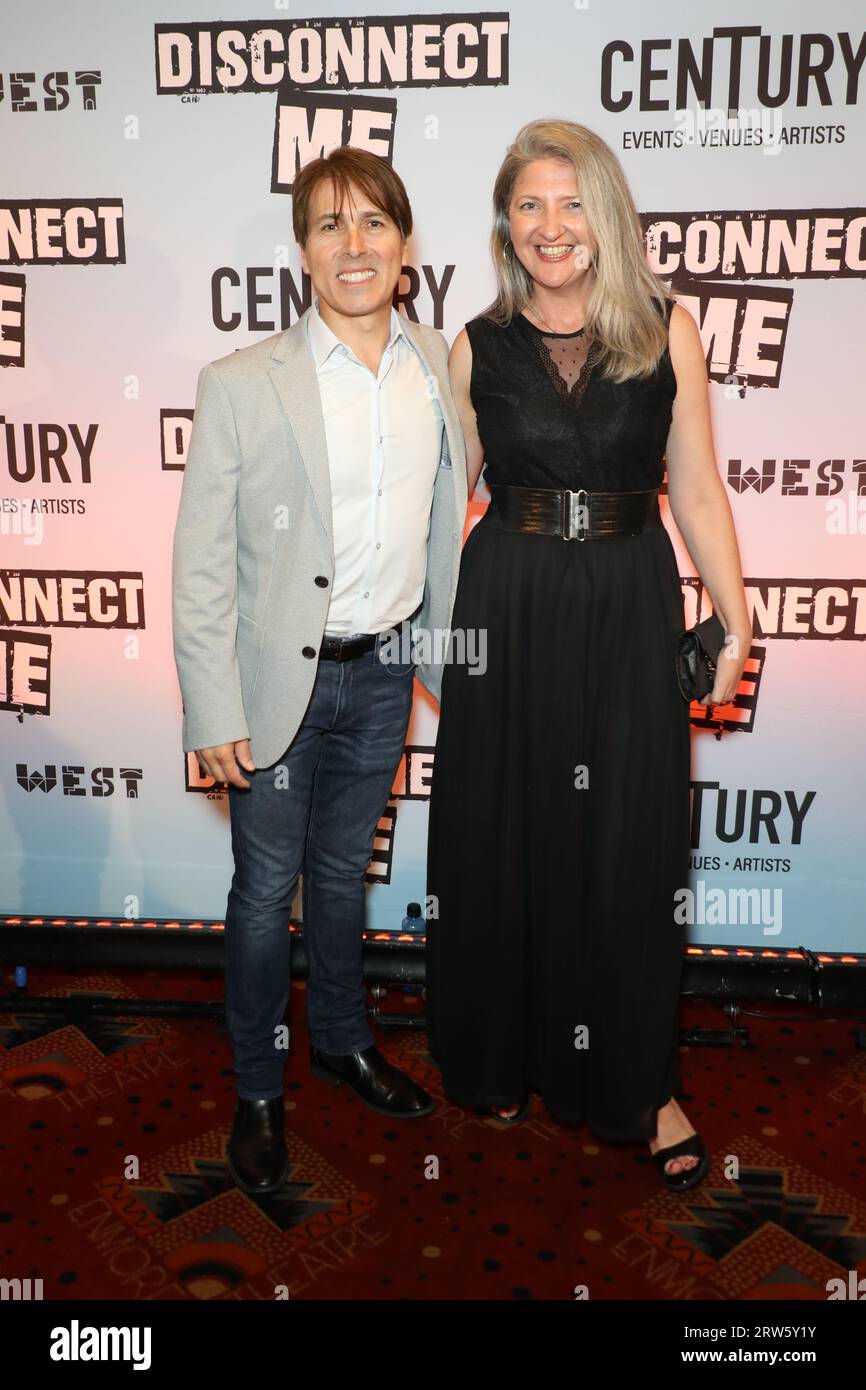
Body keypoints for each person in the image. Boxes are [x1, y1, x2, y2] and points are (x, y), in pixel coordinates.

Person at [425, 119, 750, 1192]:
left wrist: (735, 614)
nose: (548, 226)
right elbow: (437, 504)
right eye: (528, 205)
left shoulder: (668, 331)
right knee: (503, 822)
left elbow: (693, 485)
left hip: (623, 598)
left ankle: (637, 1082)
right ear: (503, 224)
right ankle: (505, 1052)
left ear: (603, 214)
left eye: (568, 203)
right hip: (504, 599)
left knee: (627, 840)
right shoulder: (475, 342)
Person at [172, 148, 467, 1196]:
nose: (354, 246)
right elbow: (201, 561)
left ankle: (340, 1043)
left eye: (374, 224)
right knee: (264, 894)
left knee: (343, 877)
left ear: (404, 245)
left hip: (386, 668)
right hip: (274, 690)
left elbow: (451, 526)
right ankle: (258, 1088)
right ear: (302, 249)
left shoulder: (443, 365)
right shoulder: (240, 384)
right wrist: (212, 705)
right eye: (329, 225)